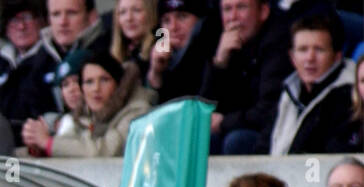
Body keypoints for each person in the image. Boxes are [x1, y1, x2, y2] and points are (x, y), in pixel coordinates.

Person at [199, 0, 290, 154]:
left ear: (263, 12)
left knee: (237, 141)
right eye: (227, 9)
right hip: (237, 125)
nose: (233, 17)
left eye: (241, 7)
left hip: (271, 134)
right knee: (202, 139)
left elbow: (268, 110)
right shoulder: (221, 40)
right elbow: (204, 111)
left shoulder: (278, 42)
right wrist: (219, 63)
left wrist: (224, 123)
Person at [10, 0, 109, 126]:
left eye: (71, 13)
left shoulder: (107, 50)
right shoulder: (40, 59)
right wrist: (54, 122)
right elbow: (31, 113)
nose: (63, 22)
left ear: (91, 15)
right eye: (56, 14)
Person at [39, 52, 155, 156]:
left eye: (104, 80)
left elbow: (106, 150)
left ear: (119, 85)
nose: (96, 88)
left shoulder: (138, 112)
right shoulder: (85, 115)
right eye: (89, 82)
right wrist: (39, 148)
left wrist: (48, 144)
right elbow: (71, 143)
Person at [269, 14, 355, 155]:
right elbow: (264, 146)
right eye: (303, 49)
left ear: (337, 56)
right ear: (292, 57)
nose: (310, 58)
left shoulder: (349, 95)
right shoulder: (288, 91)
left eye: (319, 49)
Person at [0, 0, 48, 137]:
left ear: (41, 20)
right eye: (14, 20)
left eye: (27, 18)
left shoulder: (51, 57)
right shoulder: (1, 63)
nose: (21, 26)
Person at [145, 0, 218, 104]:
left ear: (200, 21)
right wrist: (156, 74)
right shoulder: (159, 59)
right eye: (166, 20)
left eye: (182, 17)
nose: (173, 27)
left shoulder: (214, 56)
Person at [108, 0, 157, 77]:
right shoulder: (116, 57)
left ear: (151, 14)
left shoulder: (159, 50)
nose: (129, 18)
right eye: (122, 12)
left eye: (136, 10)